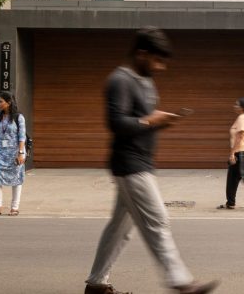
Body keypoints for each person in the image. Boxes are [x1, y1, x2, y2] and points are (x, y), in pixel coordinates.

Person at [84, 28, 218, 294]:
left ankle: (97, 283)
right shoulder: (119, 80)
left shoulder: (146, 82)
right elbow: (116, 122)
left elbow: (144, 119)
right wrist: (150, 120)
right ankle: (180, 281)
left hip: (142, 161)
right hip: (129, 163)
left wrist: (162, 120)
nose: (161, 67)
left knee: (120, 229)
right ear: (141, 53)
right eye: (157, 60)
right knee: (158, 219)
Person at [0, 92, 26, 216]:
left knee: (16, 179)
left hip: (15, 151)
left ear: (8, 102)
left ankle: (14, 207)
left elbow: (22, 137)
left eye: (1, 102)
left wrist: (20, 153)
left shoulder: (18, 117)